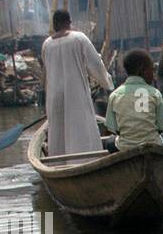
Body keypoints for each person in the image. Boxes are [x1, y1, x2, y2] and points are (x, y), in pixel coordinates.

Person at [40, 9, 112, 156]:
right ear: (68, 22)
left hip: (54, 97)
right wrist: (108, 84)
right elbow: (96, 64)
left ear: (55, 24)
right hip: (76, 94)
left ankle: (58, 160)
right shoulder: (79, 38)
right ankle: (84, 160)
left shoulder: (46, 44)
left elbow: (46, 73)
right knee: (80, 128)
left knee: (58, 131)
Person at [104, 49, 163, 151]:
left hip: (125, 147)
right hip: (152, 144)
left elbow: (114, 129)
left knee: (109, 142)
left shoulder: (114, 95)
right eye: (152, 70)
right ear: (143, 71)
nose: (153, 74)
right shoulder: (155, 93)